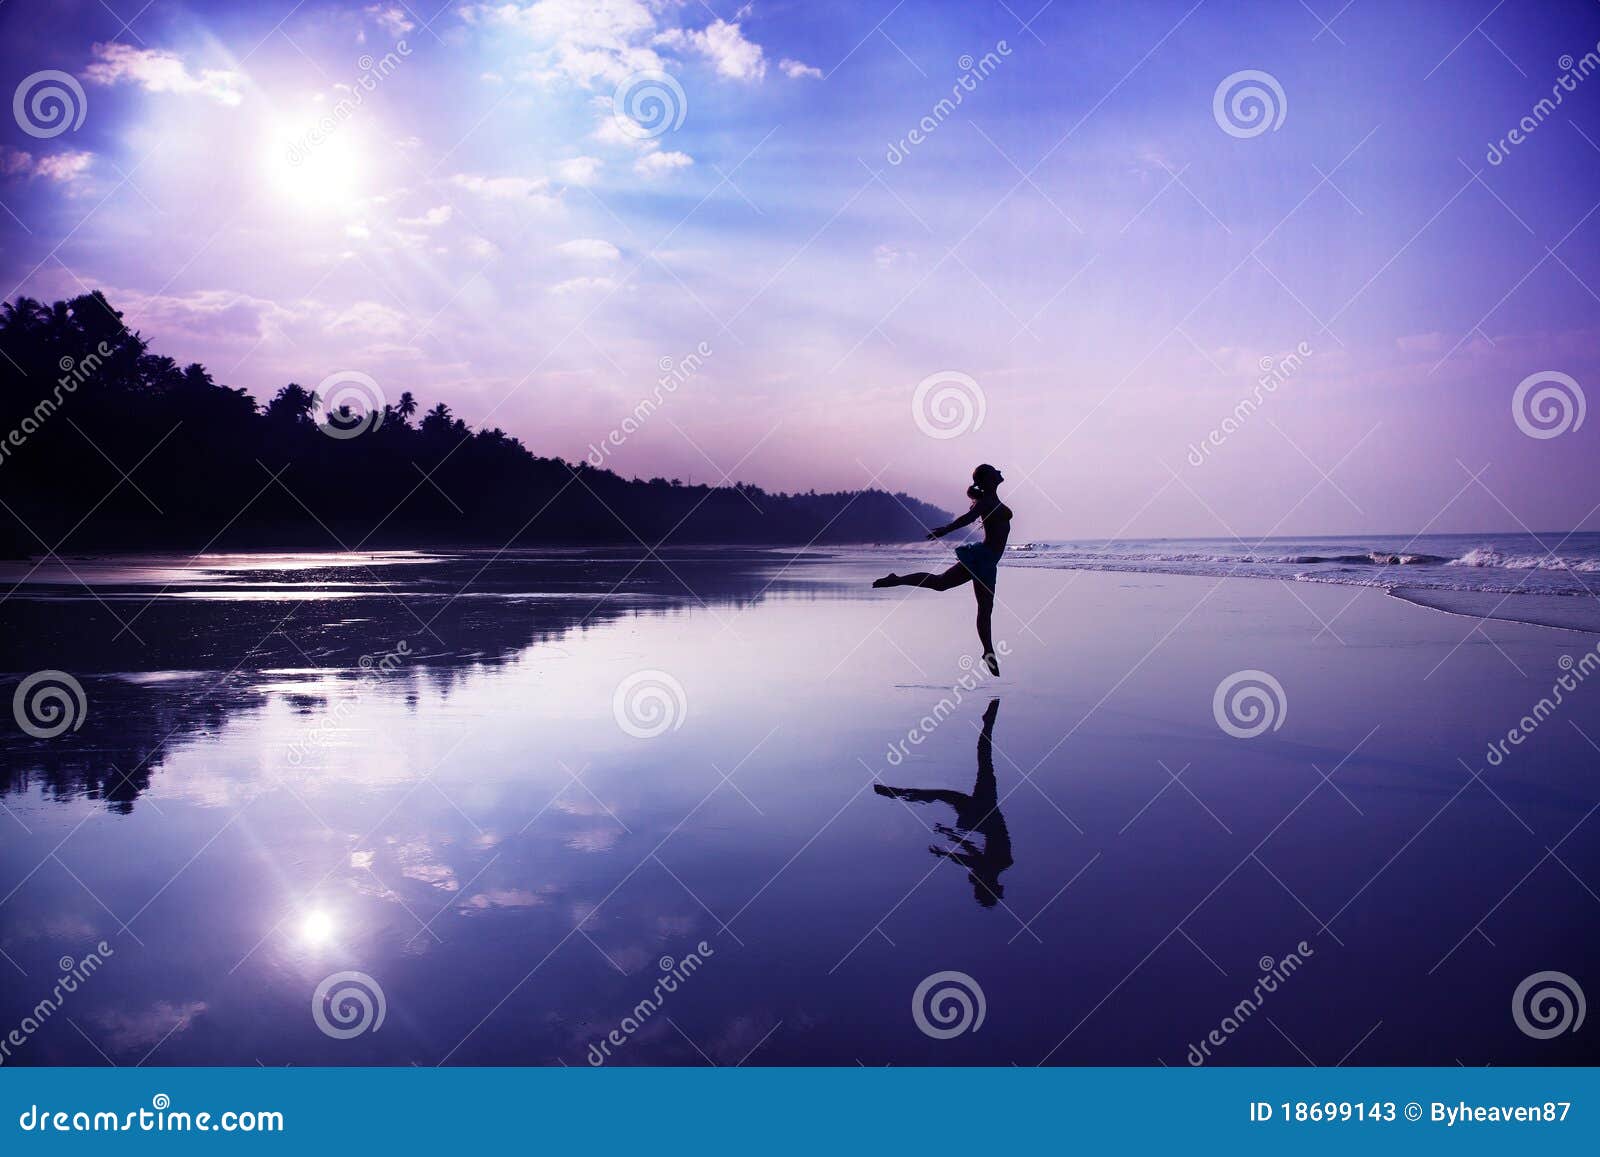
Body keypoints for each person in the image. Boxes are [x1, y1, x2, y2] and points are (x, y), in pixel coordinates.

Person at [873, 463, 1011, 675]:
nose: (999, 472)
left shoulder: (990, 501)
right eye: (995, 471)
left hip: (987, 559)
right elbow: (967, 519)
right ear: (988, 479)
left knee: (943, 584)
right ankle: (988, 651)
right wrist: (946, 529)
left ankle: (897, 579)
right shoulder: (986, 503)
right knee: (980, 605)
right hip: (983, 559)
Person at [874, 698, 1012, 908]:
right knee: (957, 782)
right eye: (978, 885)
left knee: (971, 772)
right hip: (981, 813)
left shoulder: (996, 865)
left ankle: (988, 724)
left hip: (981, 814)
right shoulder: (999, 863)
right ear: (987, 885)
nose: (975, 881)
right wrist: (947, 849)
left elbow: (972, 854)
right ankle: (898, 793)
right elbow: (971, 858)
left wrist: (950, 837)